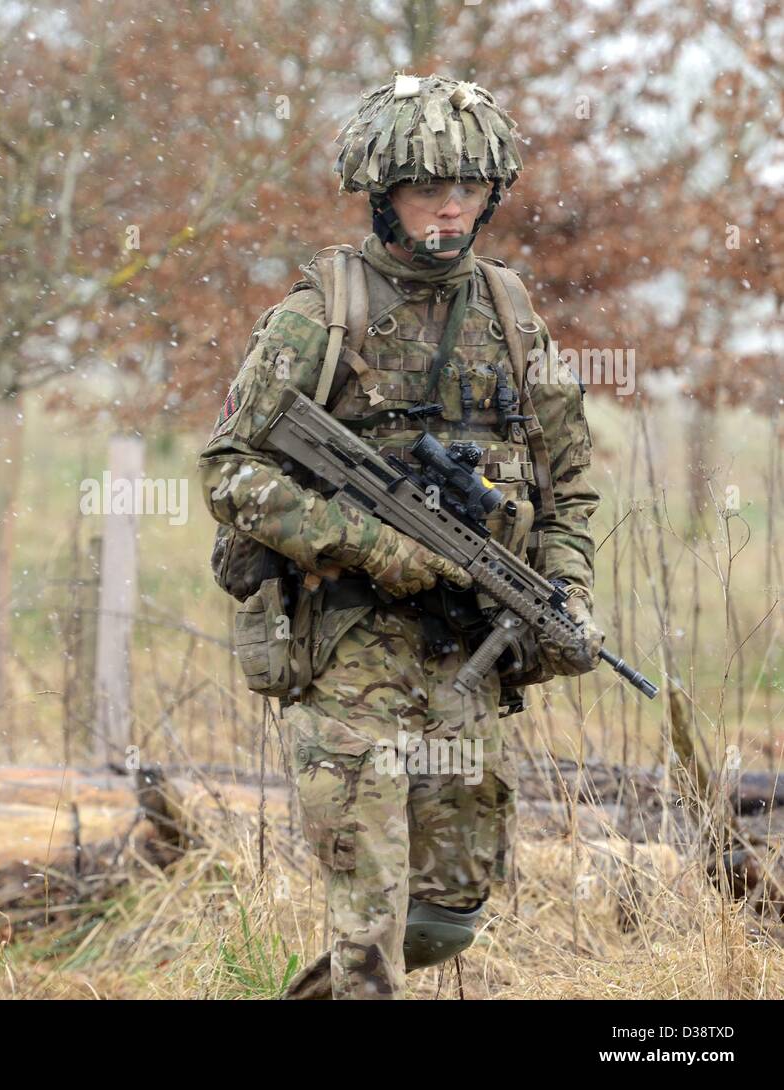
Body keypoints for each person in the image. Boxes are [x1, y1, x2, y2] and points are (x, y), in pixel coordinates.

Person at [198, 74, 601, 998]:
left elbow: (570, 480)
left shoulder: (511, 314)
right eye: (427, 187)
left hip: (465, 657)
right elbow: (230, 472)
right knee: (370, 926)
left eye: (466, 187)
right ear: (384, 195)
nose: (449, 205)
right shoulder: (321, 312)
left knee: (447, 914)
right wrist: (371, 544)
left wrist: (567, 587)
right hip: (347, 655)